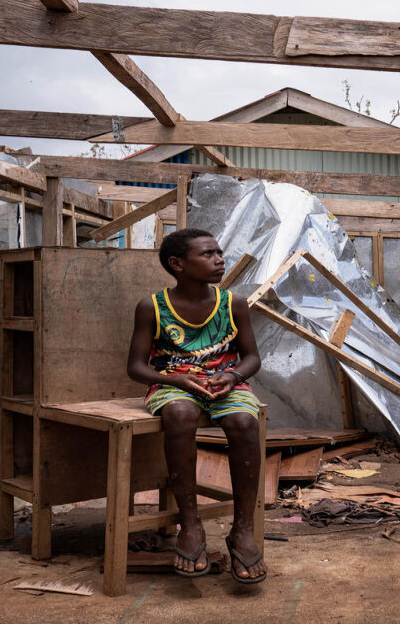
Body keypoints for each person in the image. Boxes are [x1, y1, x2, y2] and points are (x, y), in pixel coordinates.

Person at [126, 228, 267, 584]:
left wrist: (233, 376)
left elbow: (252, 358)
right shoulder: (152, 307)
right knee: (180, 413)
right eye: (208, 254)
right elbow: (136, 367)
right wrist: (175, 380)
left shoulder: (233, 303)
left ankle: (243, 529)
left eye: (219, 252)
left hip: (225, 383)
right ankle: (190, 524)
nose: (219, 260)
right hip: (172, 384)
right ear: (177, 264)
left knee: (244, 422)